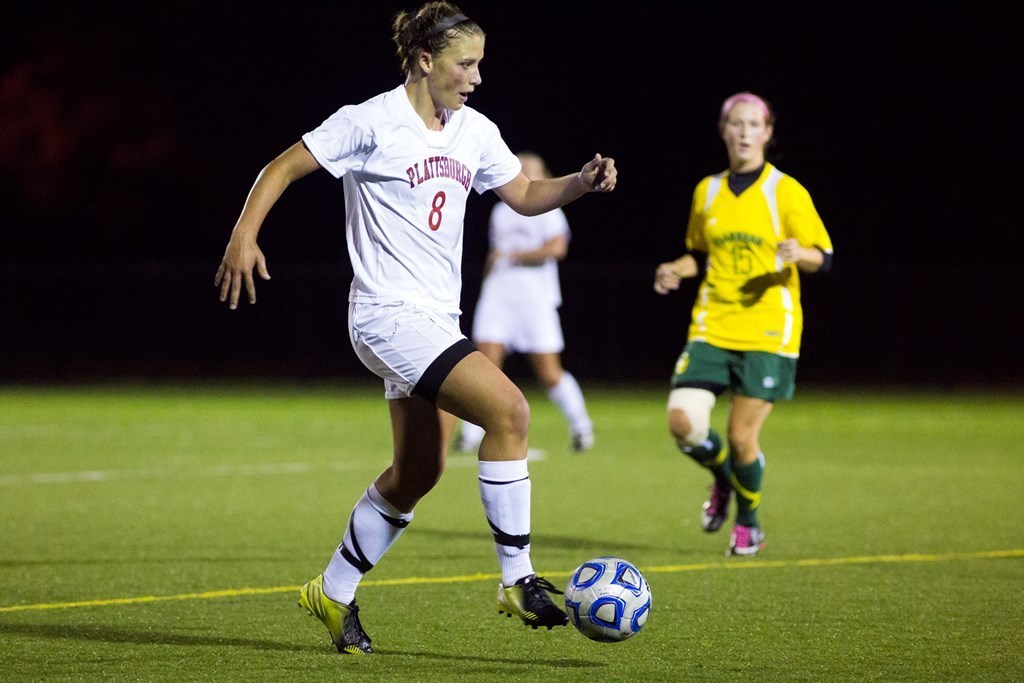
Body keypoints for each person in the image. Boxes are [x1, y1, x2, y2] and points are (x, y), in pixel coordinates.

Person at [214, 2, 617, 655]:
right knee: (509, 410)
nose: (477, 77)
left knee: (418, 470)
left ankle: (332, 590)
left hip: (435, 319)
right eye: (466, 63)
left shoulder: (474, 130)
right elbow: (282, 166)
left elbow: (523, 193)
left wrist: (579, 182)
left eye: (481, 64)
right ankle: (517, 577)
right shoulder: (370, 121)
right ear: (426, 61)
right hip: (385, 313)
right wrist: (243, 233)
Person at [653, 92, 832, 558]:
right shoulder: (707, 191)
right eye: (737, 123)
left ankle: (749, 523)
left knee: (739, 436)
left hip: (769, 328)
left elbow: (823, 256)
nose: (745, 132)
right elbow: (699, 255)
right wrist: (676, 268)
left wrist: (801, 254)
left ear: (768, 133)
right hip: (713, 325)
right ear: (724, 130)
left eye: (754, 124)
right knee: (683, 423)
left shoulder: (785, 191)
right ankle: (723, 478)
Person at [454, 151, 595, 455]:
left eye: (533, 169)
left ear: (545, 175)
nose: (526, 174)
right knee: (483, 365)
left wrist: (515, 256)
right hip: (499, 296)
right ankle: (470, 435)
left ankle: (581, 427)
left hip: (535, 298)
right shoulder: (501, 211)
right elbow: (496, 255)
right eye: (521, 168)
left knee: (548, 372)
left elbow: (557, 248)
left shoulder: (550, 210)